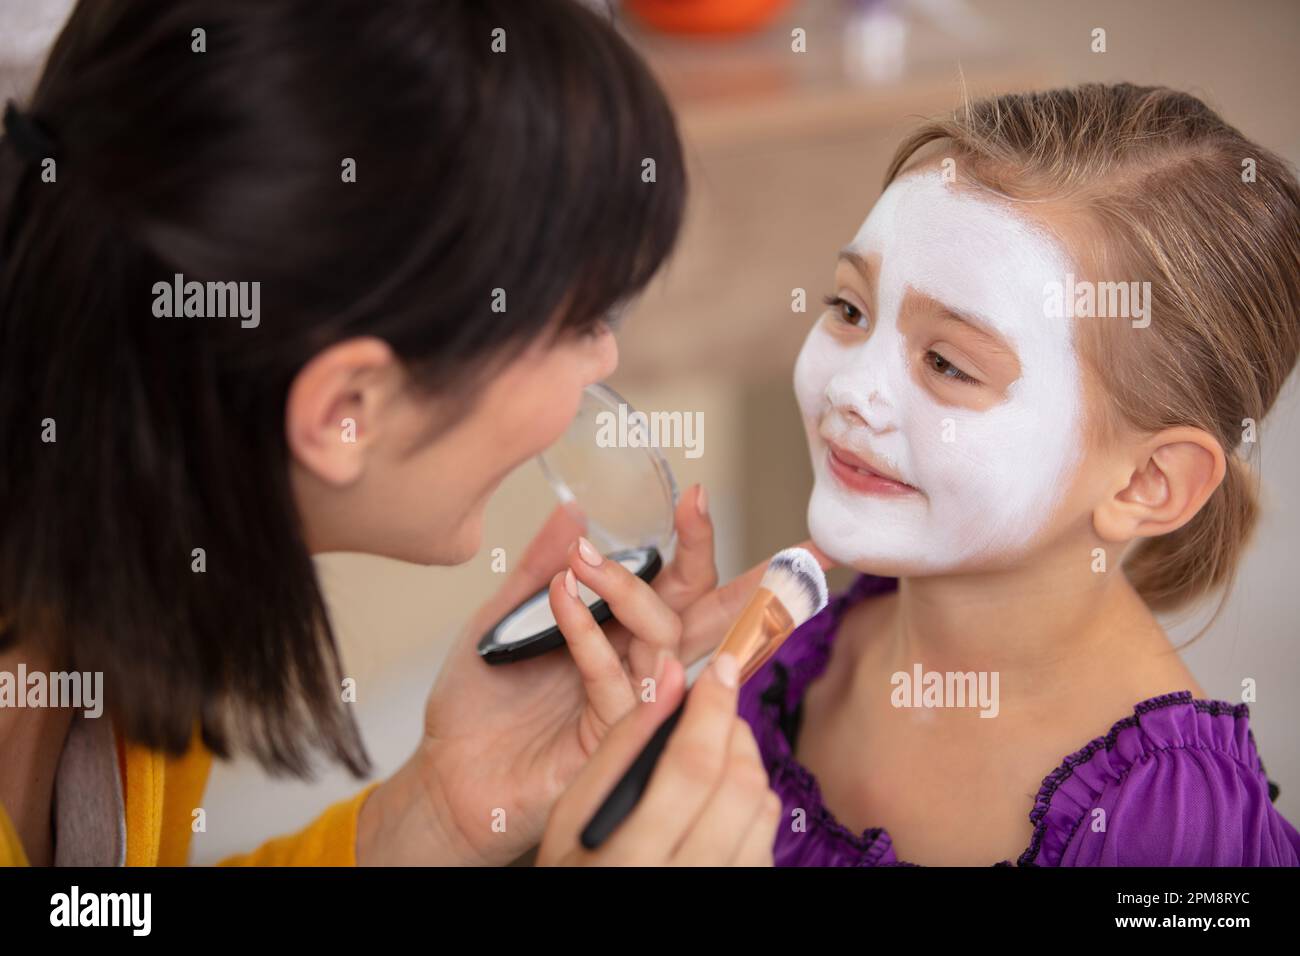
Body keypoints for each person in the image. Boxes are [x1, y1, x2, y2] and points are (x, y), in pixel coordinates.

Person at [0, 0, 787, 867]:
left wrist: (440, 815)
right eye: (578, 321)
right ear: (346, 408)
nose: (602, 359)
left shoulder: (138, 547)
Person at [739, 83, 1300, 866]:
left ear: (1147, 482)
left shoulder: (1174, 834)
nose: (849, 390)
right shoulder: (790, 662)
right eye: (849, 308)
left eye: (946, 363)